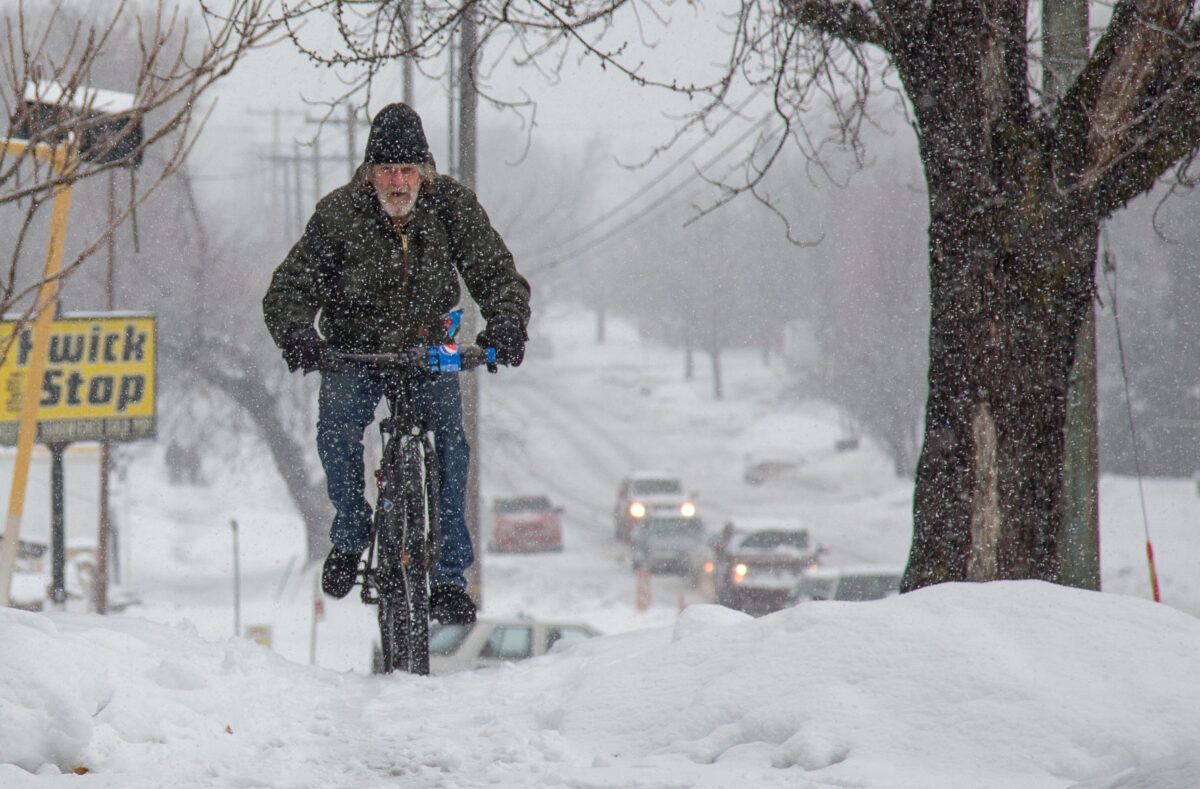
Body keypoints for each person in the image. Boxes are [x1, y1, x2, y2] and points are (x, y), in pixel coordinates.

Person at [262, 103, 531, 624]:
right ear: (369, 174)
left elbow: (495, 270)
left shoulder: (451, 206)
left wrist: (507, 322)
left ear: (424, 174)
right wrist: (298, 333)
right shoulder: (339, 215)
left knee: (452, 444)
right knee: (337, 429)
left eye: (407, 170)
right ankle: (351, 533)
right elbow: (289, 288)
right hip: (353, 351)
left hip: (433, 349)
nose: (397, 181)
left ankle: (451, 579)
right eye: (386, 170)